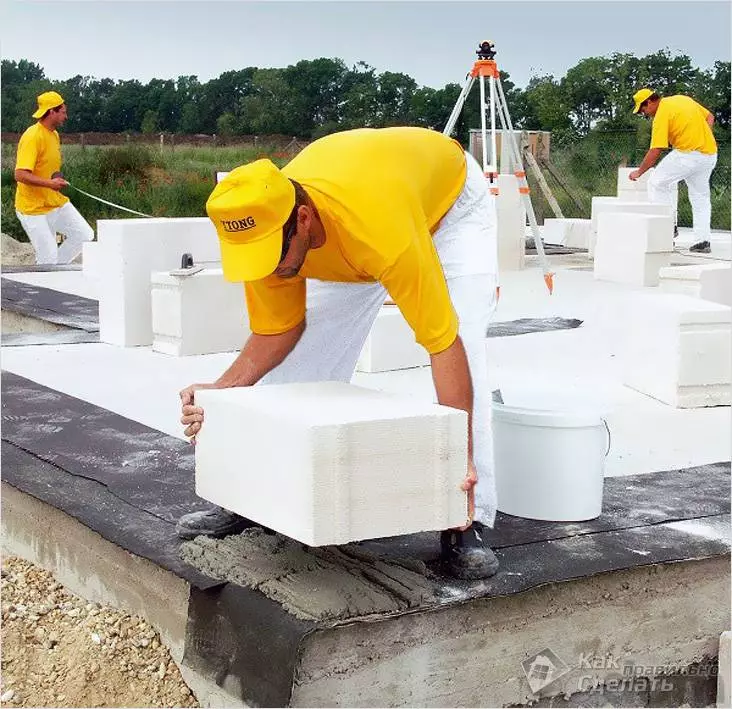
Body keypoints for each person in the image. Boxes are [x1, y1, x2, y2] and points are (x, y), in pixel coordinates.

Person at [176, 126, 500, 580]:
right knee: (299, 364)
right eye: (258, 258)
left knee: (464, 341)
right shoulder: (262, 221)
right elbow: (277, 333)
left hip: (449, 207)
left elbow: (442, 344)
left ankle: (468, 517)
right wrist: (221, 393)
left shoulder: (382, 229)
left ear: (303, 219)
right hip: (351, 221)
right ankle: (254, 496)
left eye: (275, 256)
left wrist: (456, 456)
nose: (269, 271)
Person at [629, 88, 717, 254]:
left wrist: (639, 172)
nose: (645, 115)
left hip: (687, 155)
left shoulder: (662, 114)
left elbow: (656, 149)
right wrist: (704, 136)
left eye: (643, 111)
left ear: (649, 102)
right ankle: (702, 241)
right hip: (709, 155)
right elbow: (709, 117)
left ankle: (667, 229)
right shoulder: (682, 99)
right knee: (700, 197)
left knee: (656, 183)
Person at [14, 91, 94, 264]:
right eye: (63, 112)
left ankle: (55, 268)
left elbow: (46, 166)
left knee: (85, 235)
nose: (66, 116)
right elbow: (20, 174)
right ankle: (47, 275)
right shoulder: (32, 136)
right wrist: (50, 183)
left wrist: (55, 178)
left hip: (54, 201)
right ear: (51, 112)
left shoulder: (54, 135)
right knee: (48, 255)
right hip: (32, 208)